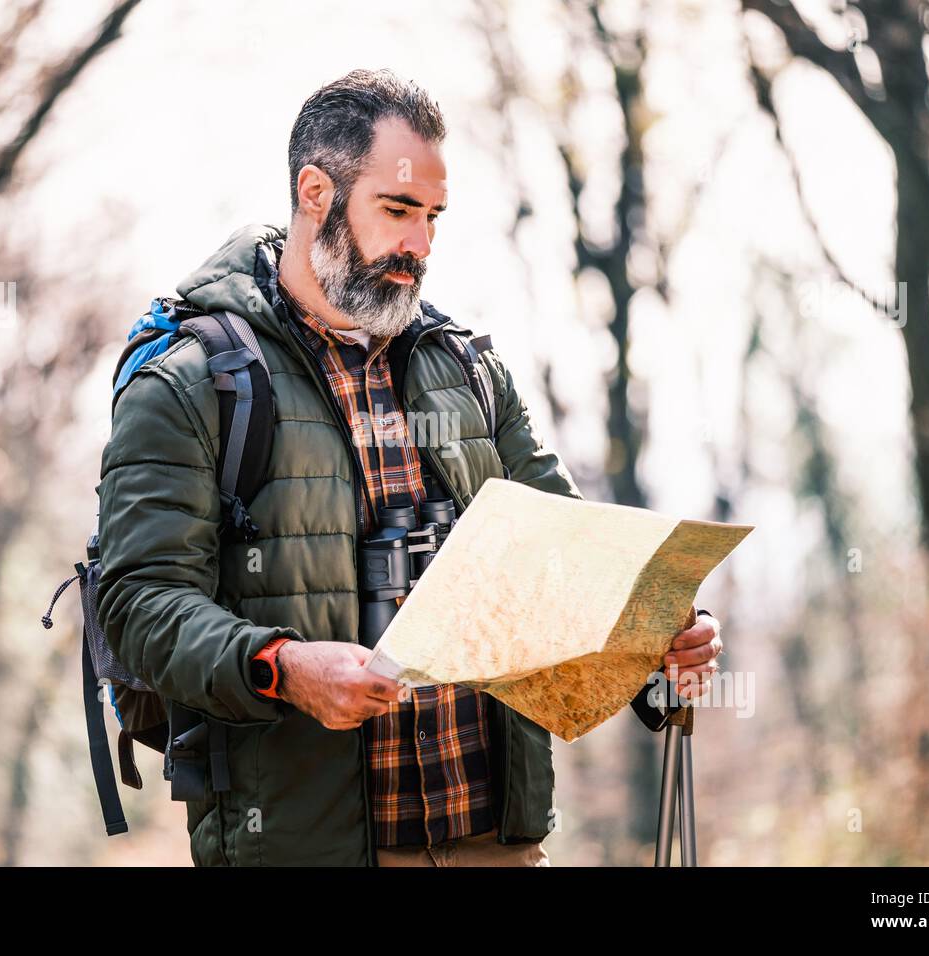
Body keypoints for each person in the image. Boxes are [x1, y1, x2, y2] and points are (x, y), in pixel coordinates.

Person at [96, 68, 723, 867]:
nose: (419, 245)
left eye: (432, 217)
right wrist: (282, 668)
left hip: (498, 846)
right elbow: (137, 603)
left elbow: (570, 567)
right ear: (315, 191)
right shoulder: (191, 383)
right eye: (397, 211)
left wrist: (659, 646)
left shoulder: (470, 372)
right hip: (301, 848)